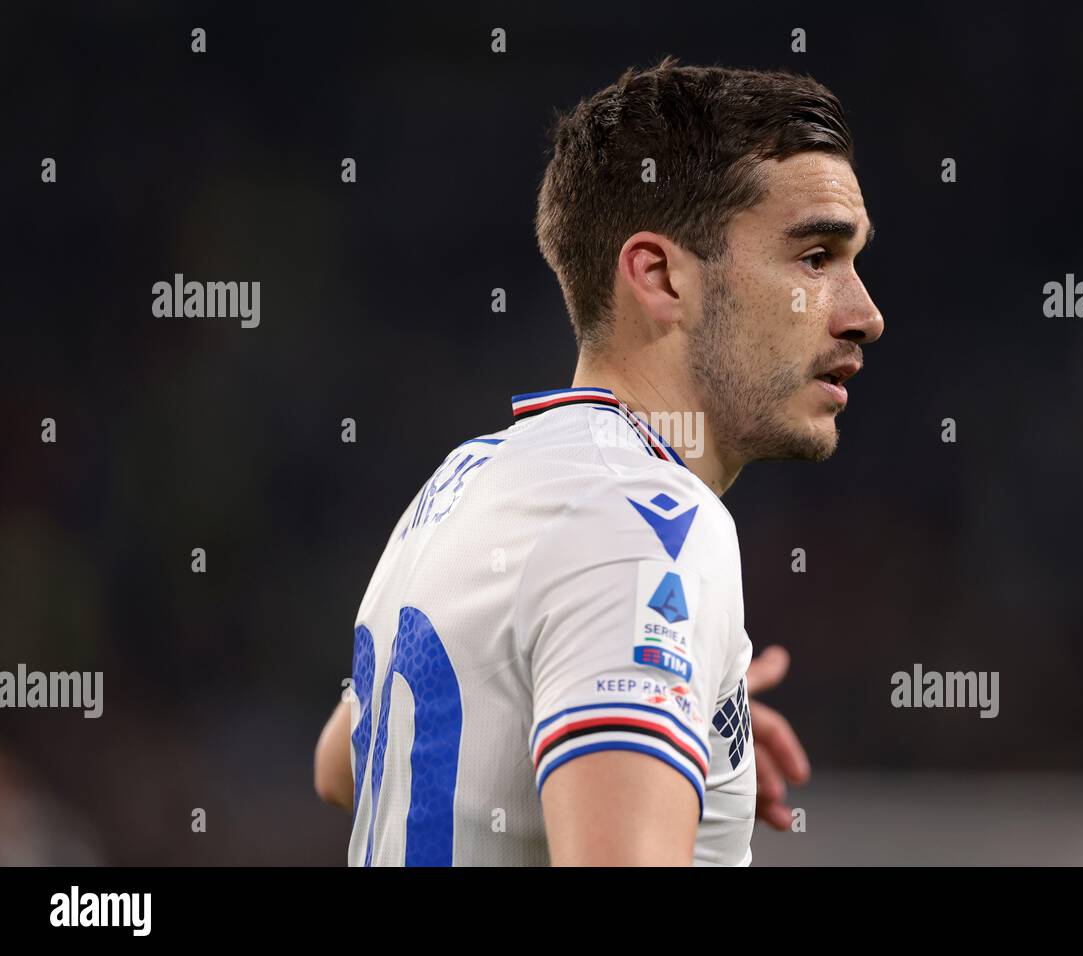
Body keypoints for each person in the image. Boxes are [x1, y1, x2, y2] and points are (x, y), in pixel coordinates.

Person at [313, 56, 884, 865]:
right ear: (660, 277)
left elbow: (346, 763)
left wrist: (665, 712)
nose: (866, 315)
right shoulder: (649, 525)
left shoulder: (464, 481)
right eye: (816, 258)